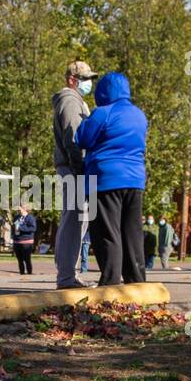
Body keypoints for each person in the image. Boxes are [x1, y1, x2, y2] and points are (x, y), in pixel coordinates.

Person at [76, 73, 148, 287]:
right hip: (135, 180)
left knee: (108, 232)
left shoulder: (103, 112)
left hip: (105, 179)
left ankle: (110, 281)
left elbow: (83, 138)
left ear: (103, 91)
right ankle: (137, 280)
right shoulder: (139, 115)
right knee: (132, 232)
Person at [52, 59, 95, 290]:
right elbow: (73, 139)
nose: (89, 83)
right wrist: (80, 170)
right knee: (76, 221)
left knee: (75, 220)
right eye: (85, 79)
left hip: (70, 168)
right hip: (74, 168)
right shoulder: (70, 101)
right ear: (72, 79)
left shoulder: (74, 100)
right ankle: (67, 277)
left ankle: (68, 274)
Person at [11, 203, 36, 274]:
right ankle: (21, 273)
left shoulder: (30, 218)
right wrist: (13, 235)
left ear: (25, 209)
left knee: (27, 259)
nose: (18, 209)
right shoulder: (16, 217)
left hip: (27, 242)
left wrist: (21, 228)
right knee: (19, 259)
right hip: (17, 241)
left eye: (20, 208)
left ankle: (29, 273)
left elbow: (33, 228)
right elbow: (14, 227)